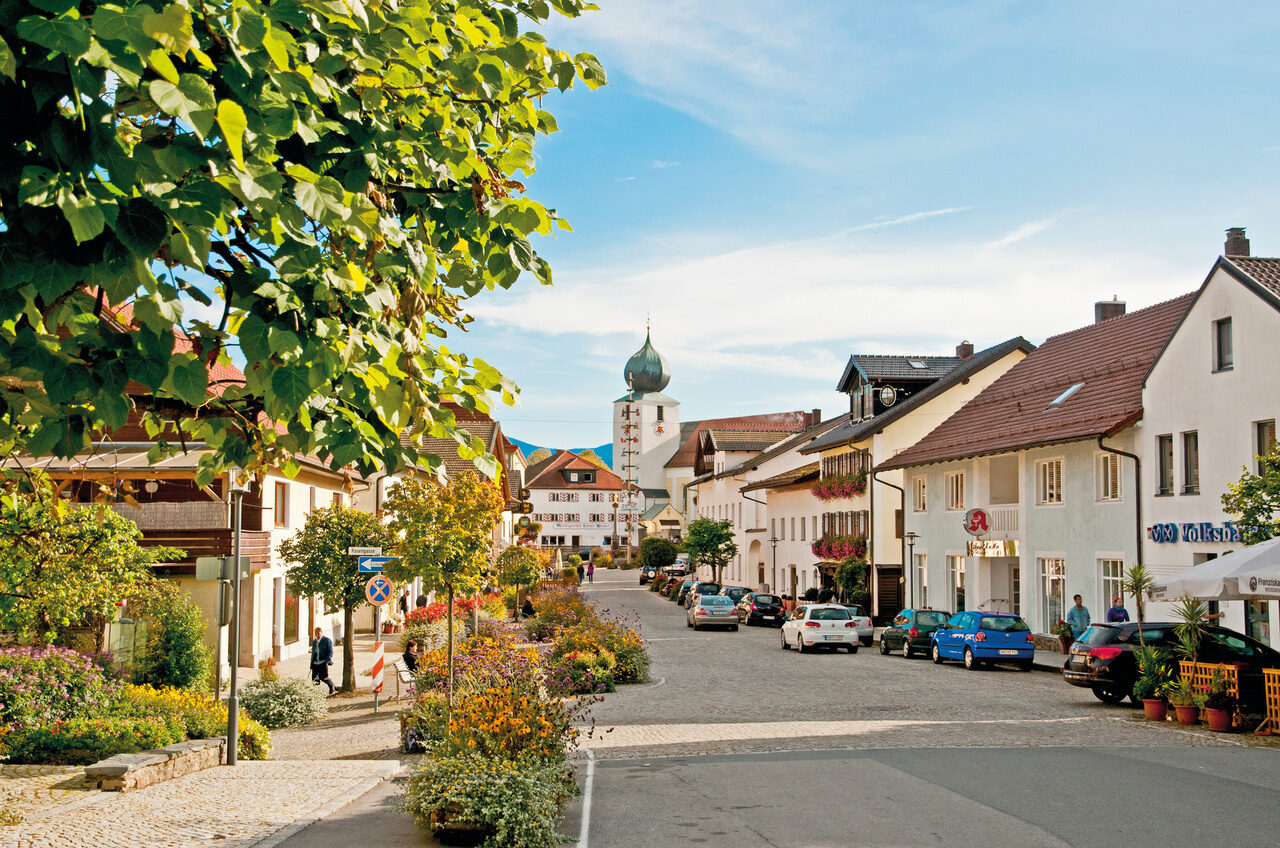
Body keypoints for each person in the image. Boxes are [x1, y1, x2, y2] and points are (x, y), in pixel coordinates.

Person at [310, 626, 334, 695]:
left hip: (323, 662)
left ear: (321, 632)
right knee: (315, 679)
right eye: (316, 633)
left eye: (318, 633)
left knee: (324, 677)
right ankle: (316, 693)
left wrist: (327, 661)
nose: (317, 635)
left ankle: (331, 686)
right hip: (315, 663)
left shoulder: (327, 640)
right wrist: (311, 664)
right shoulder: (315, 642)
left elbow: (330, 652)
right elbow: (313, 653)